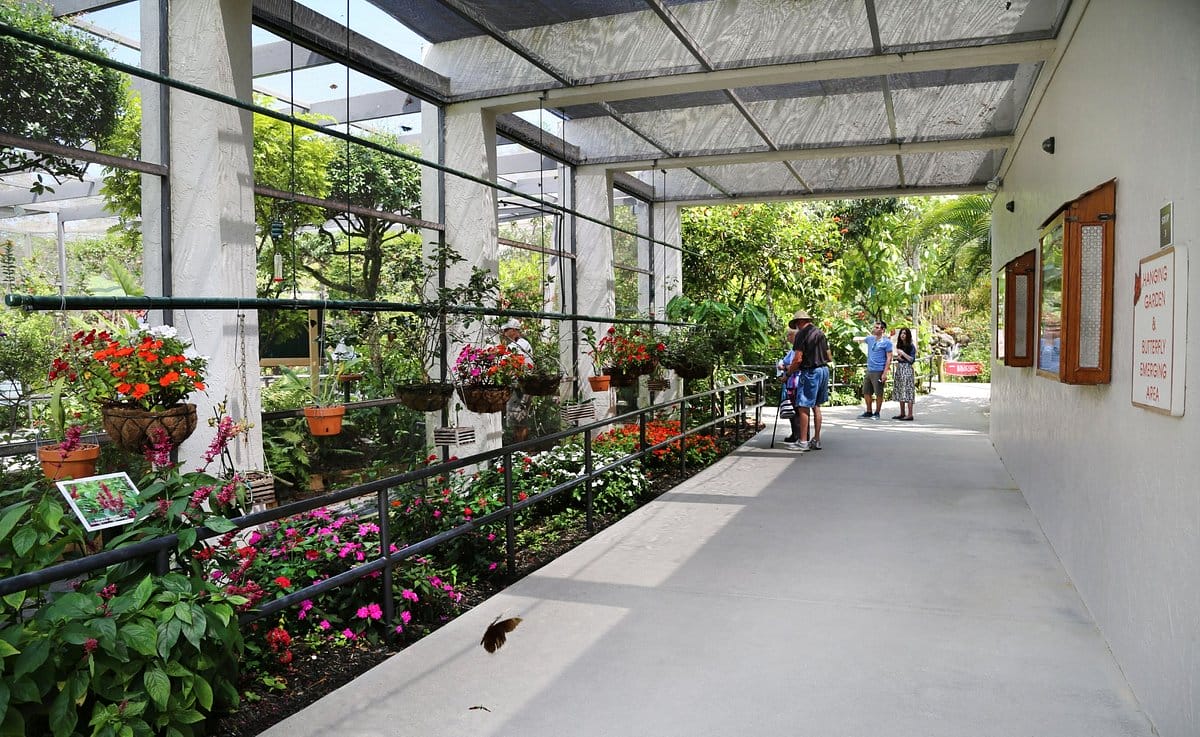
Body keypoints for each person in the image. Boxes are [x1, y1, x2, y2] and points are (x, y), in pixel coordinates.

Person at [786, 309, 831, 452]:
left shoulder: (801, 334)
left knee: (803, 406)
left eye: (796, 325)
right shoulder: (820, 333)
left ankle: (803, 441)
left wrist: (788, 374)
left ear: (799, 322)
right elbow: (829, 356)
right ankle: (816, 440)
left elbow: (797, 359)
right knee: (816, 406)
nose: (796, 328)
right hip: (823, 370)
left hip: (811, 372)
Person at [500, 319, 534, 442]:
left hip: (519, 387)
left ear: (514, 330)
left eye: (506, 330)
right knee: (517, 421)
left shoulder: (518, 345)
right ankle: (520, 448)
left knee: (519, 420)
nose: (504, 333)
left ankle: (521, 448)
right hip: (519, 386)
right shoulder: (517, 344)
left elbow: (514, 366)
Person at [854, 320, 892, 419]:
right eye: (875, 327)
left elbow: (889, 358)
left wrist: (885, 373)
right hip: (869, 369)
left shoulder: (887, 342)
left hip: (879, 370)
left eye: (877, 327)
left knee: (878, 393)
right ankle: (869, 411)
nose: (875, 329)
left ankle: (877, 413)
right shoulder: (870, 339)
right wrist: (856, 338)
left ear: (883, 330)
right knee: (866, 391)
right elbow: (858, 339)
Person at [776, 327, 803, 444]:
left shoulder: (799, 348)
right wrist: (782, 365)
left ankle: (801, 435)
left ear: (794, 336)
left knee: (798, 409)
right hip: (791, 382)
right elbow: (785, 361)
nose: (787, 337)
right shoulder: (793, 349)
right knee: (793, 409)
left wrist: (786, 368)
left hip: (796, 382)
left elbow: (797, 364)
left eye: (789, 335)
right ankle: (795, 434)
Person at [891, 327, 917, 421]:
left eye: (905, 333)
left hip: (907, 369)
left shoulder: (911, 346)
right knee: (900, 389)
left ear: (908, 335)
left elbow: (912, 360)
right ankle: (902, 413)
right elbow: (899, 358)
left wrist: (903, 354)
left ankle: (910, 414)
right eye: (901, 333)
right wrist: (899, 357)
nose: (902, 335)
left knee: (908, 390)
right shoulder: (899, 345)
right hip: (900, 368)